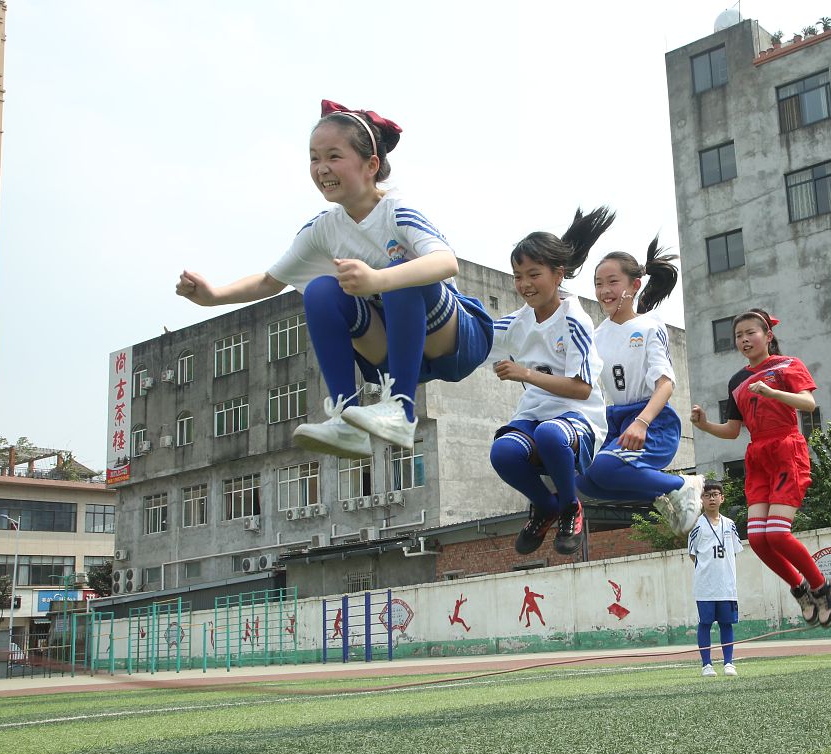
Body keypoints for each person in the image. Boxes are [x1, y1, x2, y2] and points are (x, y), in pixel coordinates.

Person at [176, 99, 493, 458]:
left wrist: (376, 280)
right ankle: (345, 418)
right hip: (394, 350)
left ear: (371, 165)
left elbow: (446, 261)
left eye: (333, 156)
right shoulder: (324, 229)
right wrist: (212, 295)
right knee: (321, 290)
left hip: (454, 341)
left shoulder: (396, 211)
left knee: (396, 275)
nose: (322, 168)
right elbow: (270, 281)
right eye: (314, 158)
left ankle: (401, 411)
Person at [690, 309, 831, 628]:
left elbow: (809, 404)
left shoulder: (788, 365)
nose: (744, 340)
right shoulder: (737, 381)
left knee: (777, 533)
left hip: (786, 448)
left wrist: (773, 393)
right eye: (738, 336)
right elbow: (732, 430)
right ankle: (800, 589)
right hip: (757, 455)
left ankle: (823, 588)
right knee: (758, 539)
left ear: (768, 336)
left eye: (750, 333)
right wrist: (704, 425)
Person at [489, 208, 614, 557]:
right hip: (534, 416)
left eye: (533, 274)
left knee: (550, 434)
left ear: (557, 274)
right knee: (503, 451)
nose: (524, 284)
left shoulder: (574, 320)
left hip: (577, 417)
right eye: (517, 276)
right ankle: (545, 506)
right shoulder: (517, 321)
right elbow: (475, 338)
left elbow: (582, 388)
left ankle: (571, 505)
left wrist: (526, 374)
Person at [576, 238, 704, 535]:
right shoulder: (596, 336)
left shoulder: (650, 326)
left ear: (634, 286)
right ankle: (660, 495)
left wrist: (642, 422)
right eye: (598, 284)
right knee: (583, 479)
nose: (604, 290)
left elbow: (665, 384)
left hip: (652, 421)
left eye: (612, 282)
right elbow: (584, 388)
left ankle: (683, 484)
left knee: (604, 468)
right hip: (615, 421)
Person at [687, 480, 744, 676]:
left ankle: (729, 663)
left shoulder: (730, 525)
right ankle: (707, 665)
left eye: (715, 494)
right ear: (701, 499)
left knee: (726, 624)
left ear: (722, 498)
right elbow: (692, 554)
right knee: (705, 623)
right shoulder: (697, 525)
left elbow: (734, 551)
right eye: (707, 494)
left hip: (727, 584)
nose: (712, 498)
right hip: (705, 585)